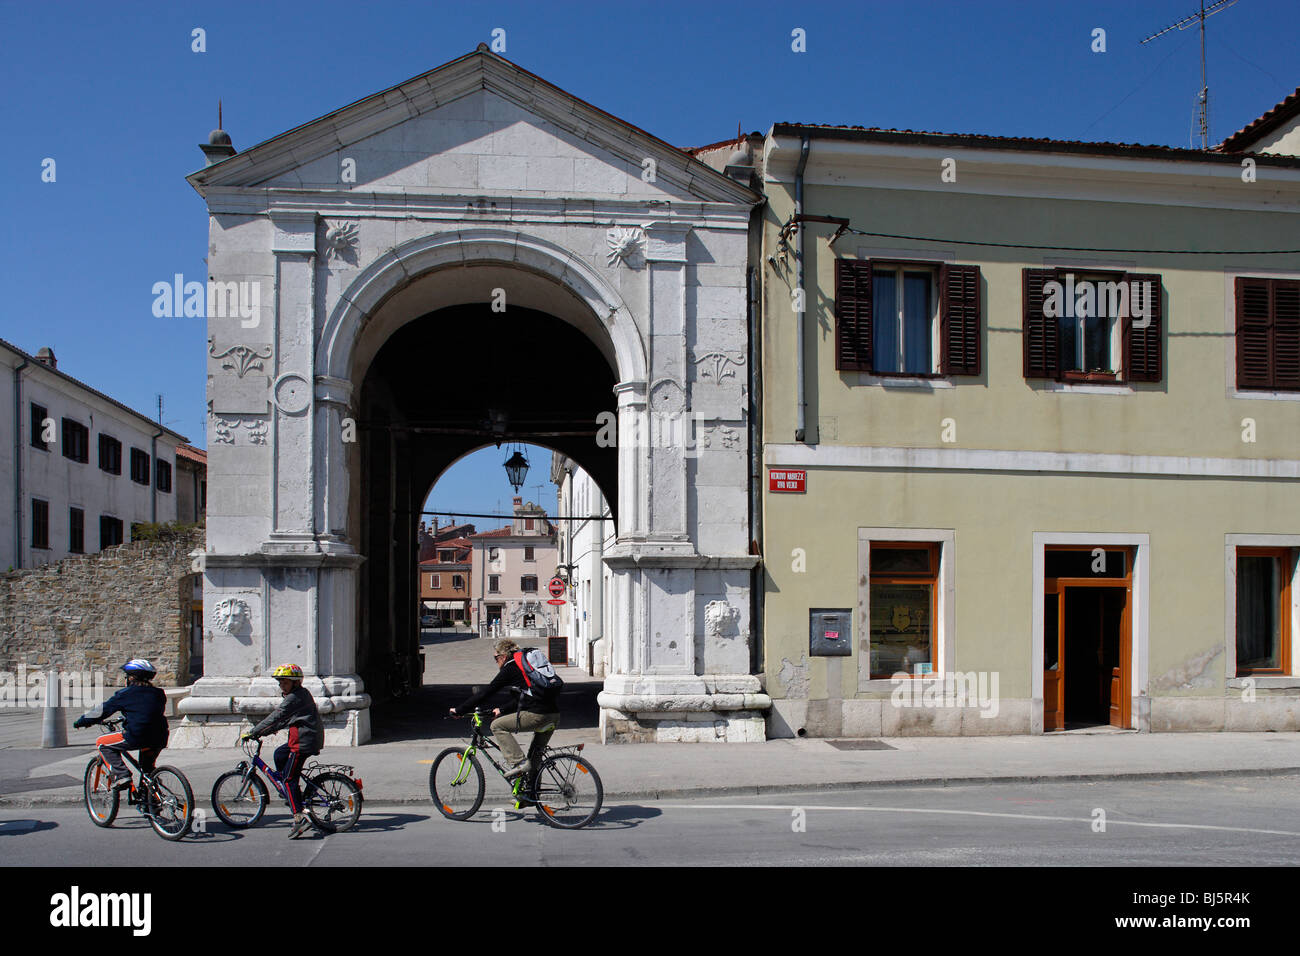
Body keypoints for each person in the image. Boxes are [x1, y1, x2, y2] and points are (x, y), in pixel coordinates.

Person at [449, 638, 561, 780]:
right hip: (553, 715)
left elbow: (487, 692)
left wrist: (460, 710)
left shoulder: (511, 667)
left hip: (538, 715)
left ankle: (518, 762)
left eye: (495, 658)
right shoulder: (524, 666)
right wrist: (502, 710)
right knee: (534, 758)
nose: (496, 661)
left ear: (502, 656)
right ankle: (528, 796)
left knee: (497, 726)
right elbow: (525, 697)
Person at [242, 663, 322, 839]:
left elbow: (278, 715)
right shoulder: (298, 695)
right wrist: (267, 730)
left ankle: (299, 818)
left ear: (295, 682)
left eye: (284, 683)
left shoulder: (295, 697)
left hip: (302, 742)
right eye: (280, 683)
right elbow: (283, 720)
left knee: (288, 779)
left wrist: (255, 732)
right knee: (279, 754)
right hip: (302, 738)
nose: (281, 686)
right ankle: (291, 793)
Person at [73, 659, 169, 791]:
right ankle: (153, 803)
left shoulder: (124, 694)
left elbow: (102, 711)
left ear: (131, 678)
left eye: (126, 677)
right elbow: (146, 712)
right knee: (147, 770)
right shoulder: (159, 694)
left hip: (137, 736)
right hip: (160, 737)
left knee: (102, 743)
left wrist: (82, 721)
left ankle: (122, 775)